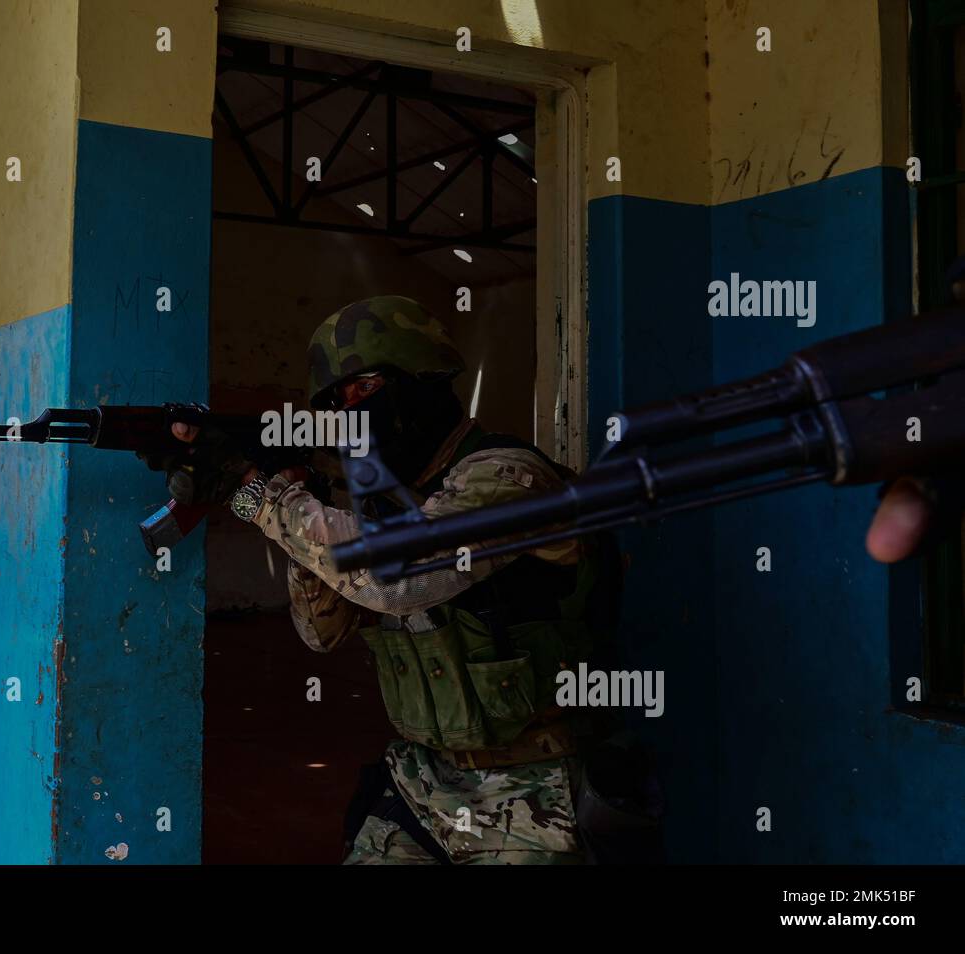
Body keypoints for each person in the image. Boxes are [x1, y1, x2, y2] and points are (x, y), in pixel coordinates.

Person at [153, 296, 628, 864]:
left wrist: (258, 494)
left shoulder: (507, 475)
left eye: (365, 388)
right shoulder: (380, 504)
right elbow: (319, 634)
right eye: (335, 401)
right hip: (423, 779)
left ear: (425, 379)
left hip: (531, 787)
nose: (350, 411)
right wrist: (298, 495)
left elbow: (398, 580)